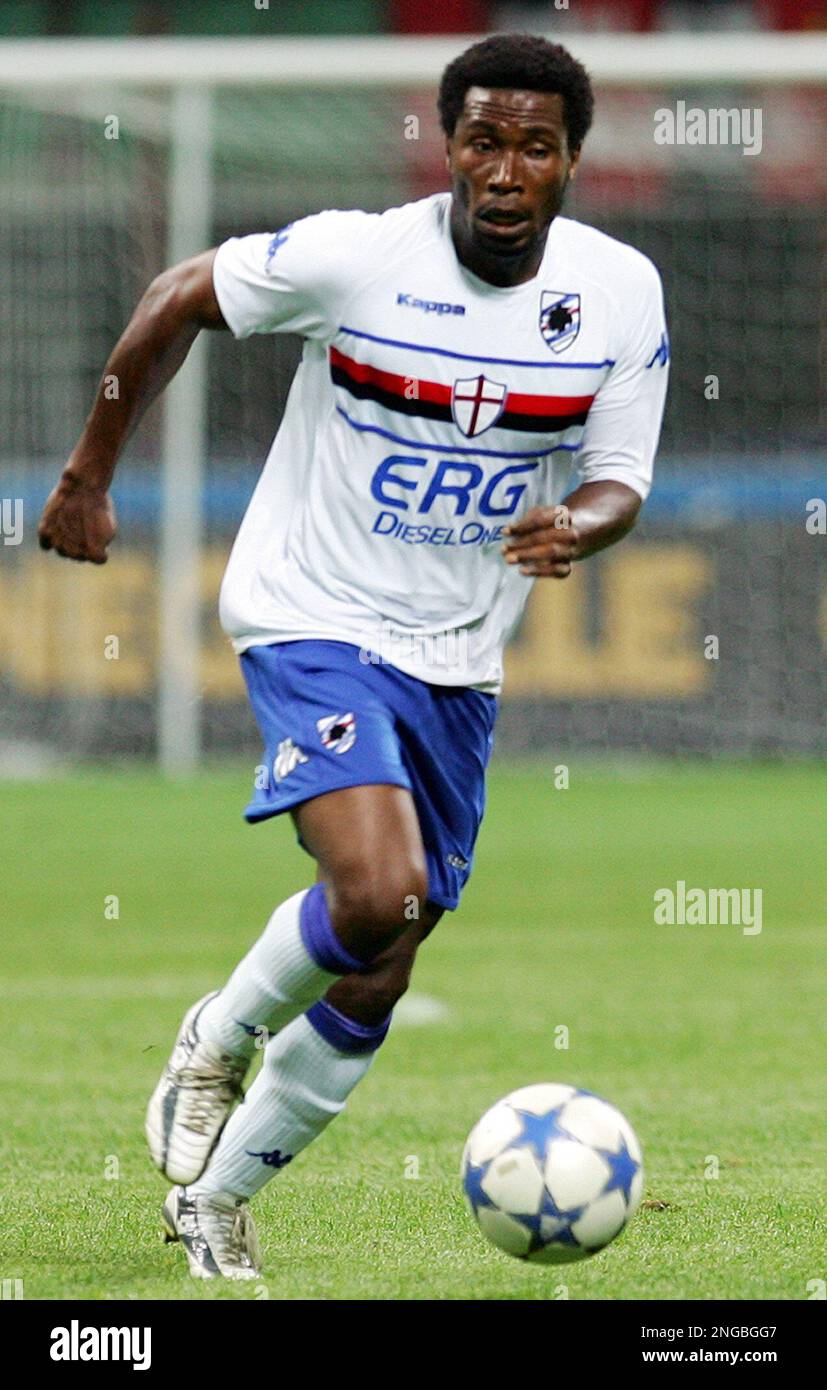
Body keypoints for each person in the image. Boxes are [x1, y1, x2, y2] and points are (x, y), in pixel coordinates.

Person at [37, 34, 669, 1280]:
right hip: (310, 613)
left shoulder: (617, 293)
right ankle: (218, 1036)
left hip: (457, 659)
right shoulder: (354, 257)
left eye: (532, 146)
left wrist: (576, 528)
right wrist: (86, 473)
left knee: (386, 951)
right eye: (481, 142)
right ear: (449, 150)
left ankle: (213, 1200)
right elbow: (177, 297)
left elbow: (620, 479)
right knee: (376, 891)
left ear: (569, 162)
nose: (504, 170)